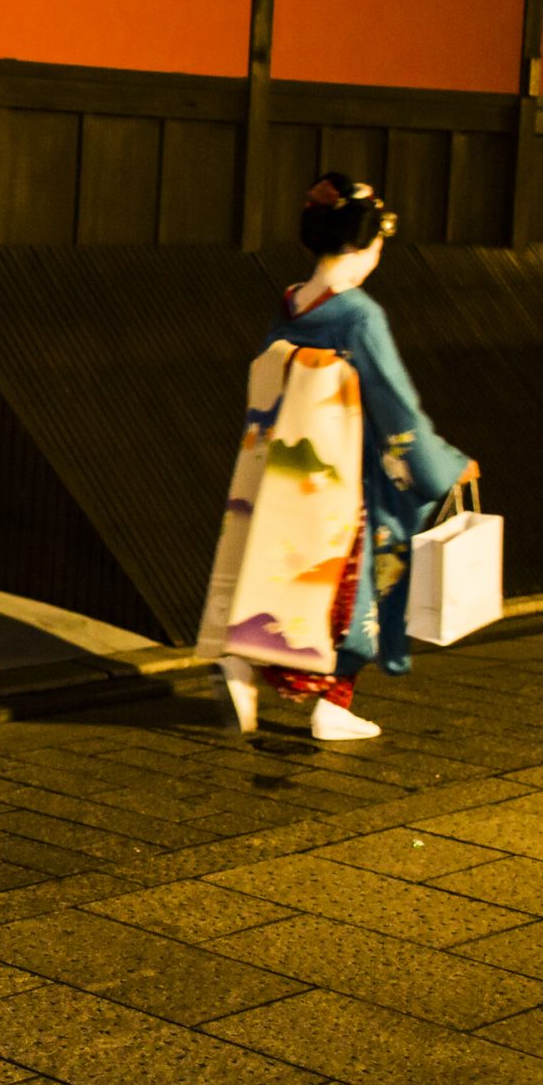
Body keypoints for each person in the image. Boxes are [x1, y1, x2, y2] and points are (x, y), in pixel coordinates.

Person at [198, 173, 480, 741]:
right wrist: (444, 463)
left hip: (288, 471)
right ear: (367, 244)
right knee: (359, 578)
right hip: (343, 478)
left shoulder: (293, 304)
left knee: (280, 569)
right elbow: (395, 406)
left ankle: (243, 663)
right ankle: (333, 703)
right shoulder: (359, 315)